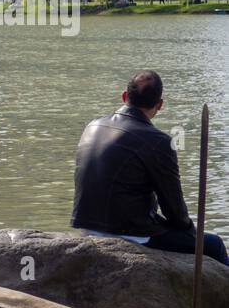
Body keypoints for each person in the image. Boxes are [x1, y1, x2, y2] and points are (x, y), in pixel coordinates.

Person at [71, 69, 228, 265]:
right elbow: (174, 211)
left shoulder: (93, 125)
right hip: (129, 231)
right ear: (160, 104)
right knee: (214, 244)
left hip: (87, 225)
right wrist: (189, 230)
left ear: (124, 96)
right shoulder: (158, 141)